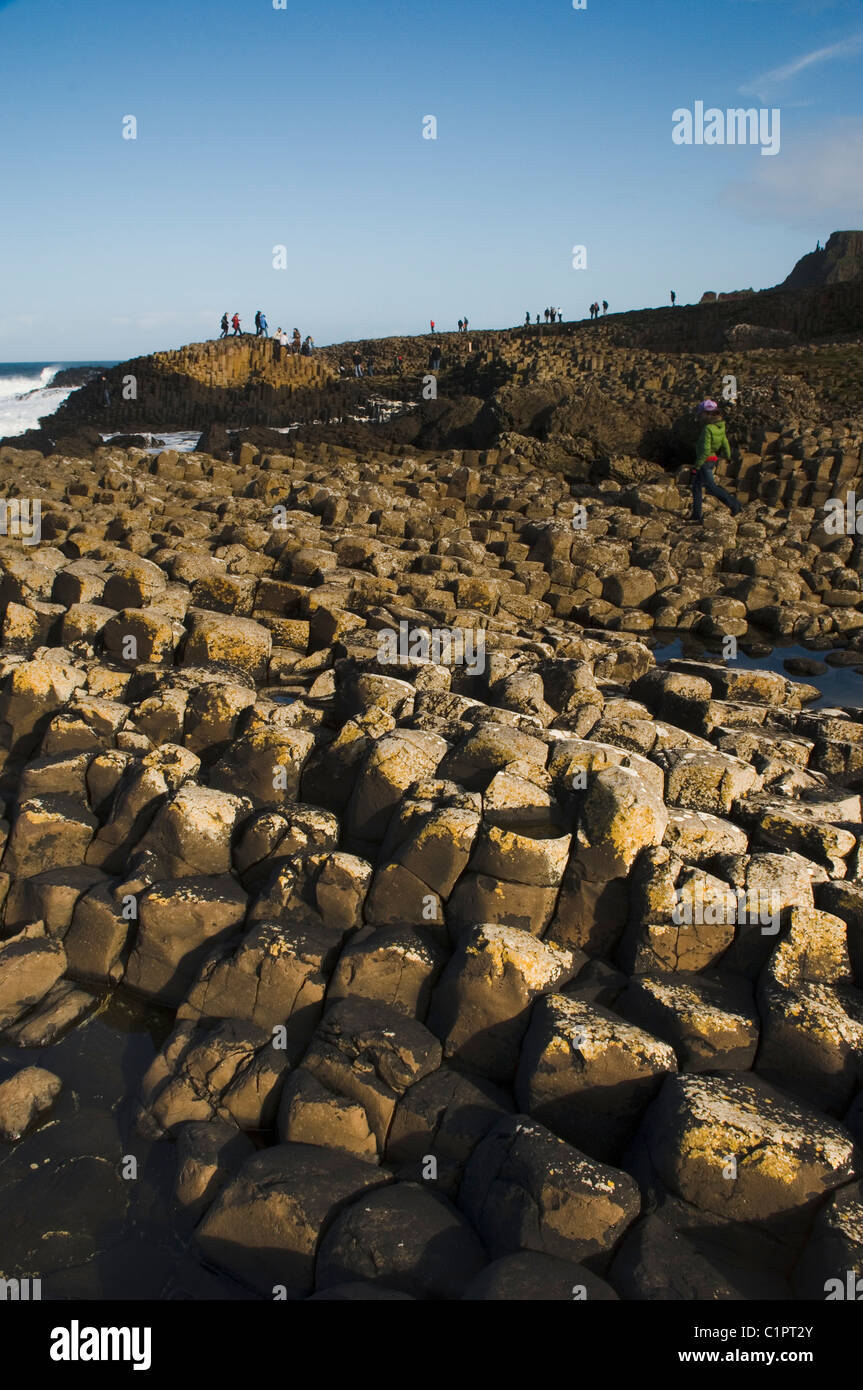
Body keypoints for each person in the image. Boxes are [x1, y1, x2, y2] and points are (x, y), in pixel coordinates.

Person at [690, 399, 742, 524]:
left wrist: (696, 466)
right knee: (696, 486)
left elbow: (705, 450)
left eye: (701, 413)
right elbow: (724, 442)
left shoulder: (707, 429)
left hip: (705, 461)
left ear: (707, 414)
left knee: (712, 488)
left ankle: (735, 505)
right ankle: (696, 514)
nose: (699, 415)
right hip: (712, 459)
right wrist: (727, 456)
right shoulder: (720, 426)